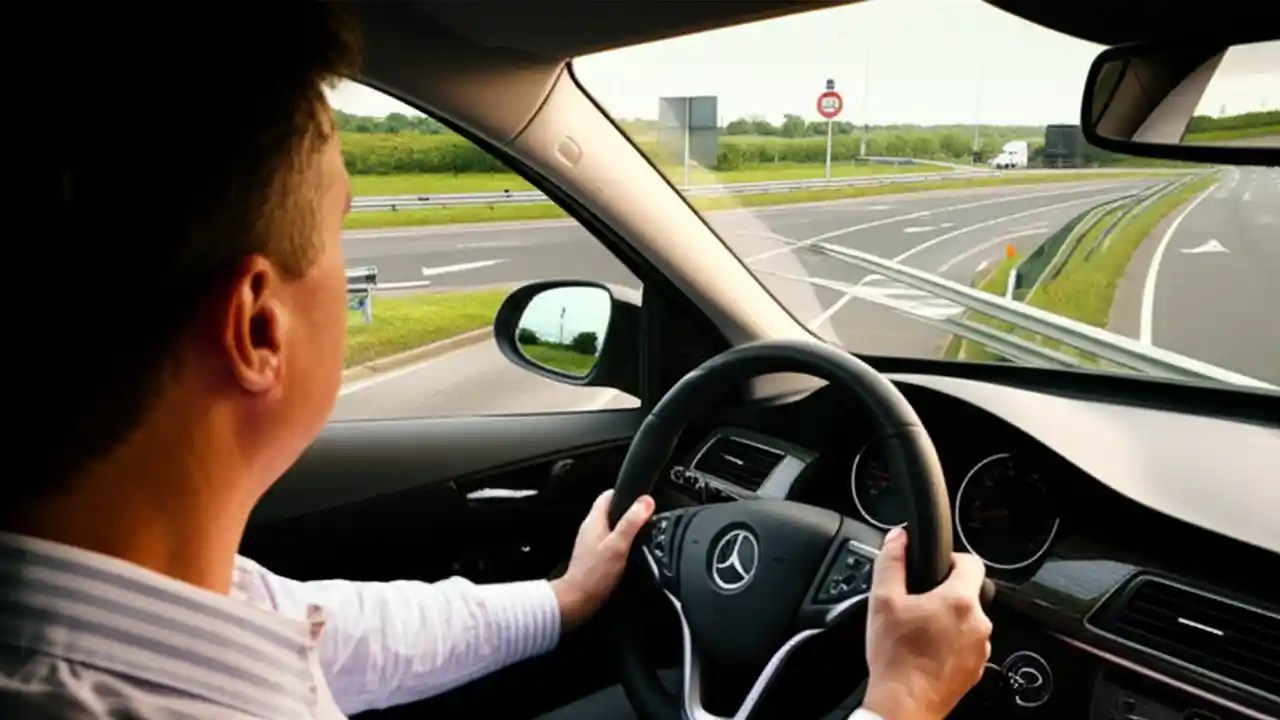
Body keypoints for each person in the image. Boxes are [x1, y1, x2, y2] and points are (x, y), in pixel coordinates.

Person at [8, 3, 991, 718]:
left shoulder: (144, 598)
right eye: (339, 233)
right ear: (259, 329)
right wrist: (901, 700)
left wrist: (563, 601)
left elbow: (327, 629)